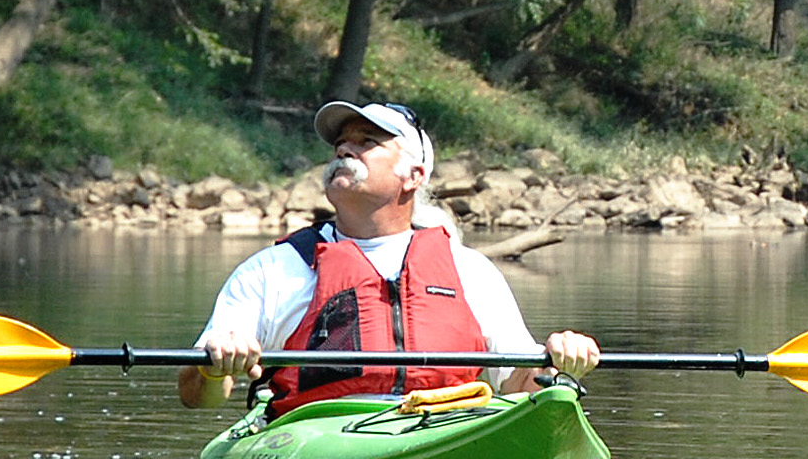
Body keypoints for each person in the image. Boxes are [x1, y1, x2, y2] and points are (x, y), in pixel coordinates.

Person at [179, 99, 599, 410]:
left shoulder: (471, 272)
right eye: (341, 144)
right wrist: (217, 367)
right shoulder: (273, 270)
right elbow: (196, 397)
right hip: (313, 439)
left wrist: (559, 364)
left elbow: (520, 382)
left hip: (447, 429)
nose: (345, 150)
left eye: (367, 142)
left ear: (414, 176)